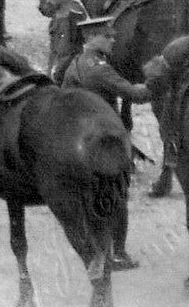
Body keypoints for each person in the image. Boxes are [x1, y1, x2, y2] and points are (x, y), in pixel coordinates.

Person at [60, 15, 148, 270]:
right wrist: (158, 82)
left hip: (78, 140)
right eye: (107, 35)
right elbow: (134, 94)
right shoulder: (99, 69)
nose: (113, 38)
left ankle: (97, 253)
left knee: (92, 199)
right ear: (90, 38)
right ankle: (116, 254)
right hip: (105, 144)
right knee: (117, 198)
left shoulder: (74, 64)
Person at [40, 0, 88, 83]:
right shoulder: (57, 15)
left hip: (70, 72)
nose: (47, 2)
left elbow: (68, 51)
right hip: (60, 69)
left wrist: (56, 74)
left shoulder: (73, 15)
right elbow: (54, 49)